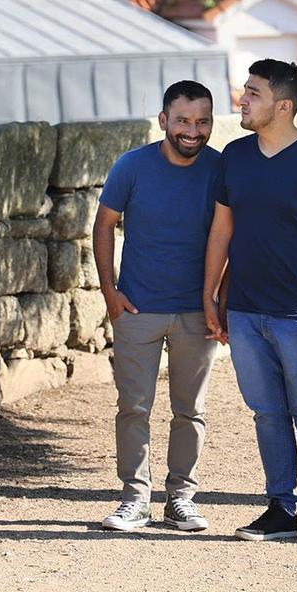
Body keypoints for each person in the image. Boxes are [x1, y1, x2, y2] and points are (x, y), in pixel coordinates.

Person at [203, 59, 297, 547]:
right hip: (246, 311)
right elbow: (222, 229)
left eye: (253, 93)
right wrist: (211, 294)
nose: (242, 100)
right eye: (245, 90)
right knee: (267, 412)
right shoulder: (235, 156)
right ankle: (280, 510)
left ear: (282, 105)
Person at [93, 80, 222, 532]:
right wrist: (110, 292)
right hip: (137, 309)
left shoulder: (221, 170)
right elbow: (104, 225)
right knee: (134, 406)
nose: (193, 130)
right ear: (164, 119)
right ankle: (134, 499)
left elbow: (233, 238)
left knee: (192, 409)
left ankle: (181, 499)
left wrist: (219, 301)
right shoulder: (132, 166)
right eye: (183, 120)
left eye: (202, 121)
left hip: (197, 311)